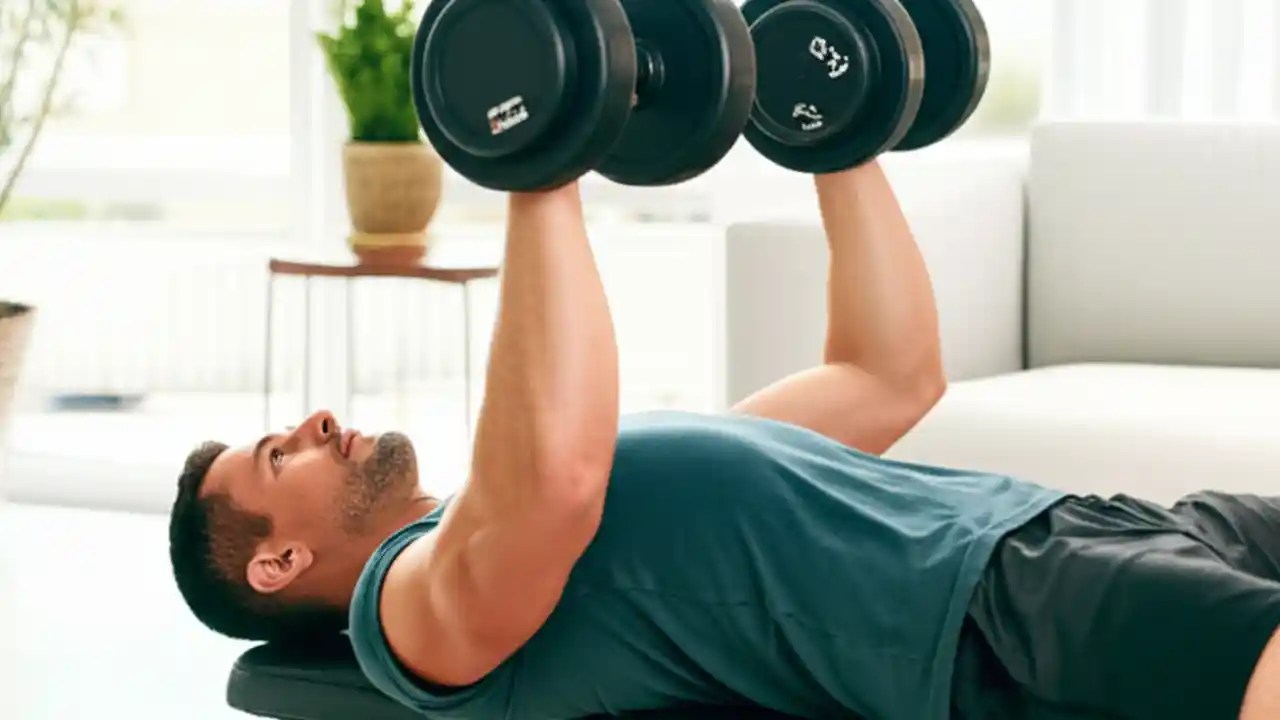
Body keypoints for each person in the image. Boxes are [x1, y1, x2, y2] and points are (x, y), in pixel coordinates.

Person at [169, 161, 1280, 720]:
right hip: (998, 620)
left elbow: (886, 374)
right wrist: (537, 168)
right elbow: (551, 478)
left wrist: (837, 143)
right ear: (276, 563)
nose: (314, 423)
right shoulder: (408, 614)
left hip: (1089, 530)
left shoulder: (560, 505)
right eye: (281, 457)